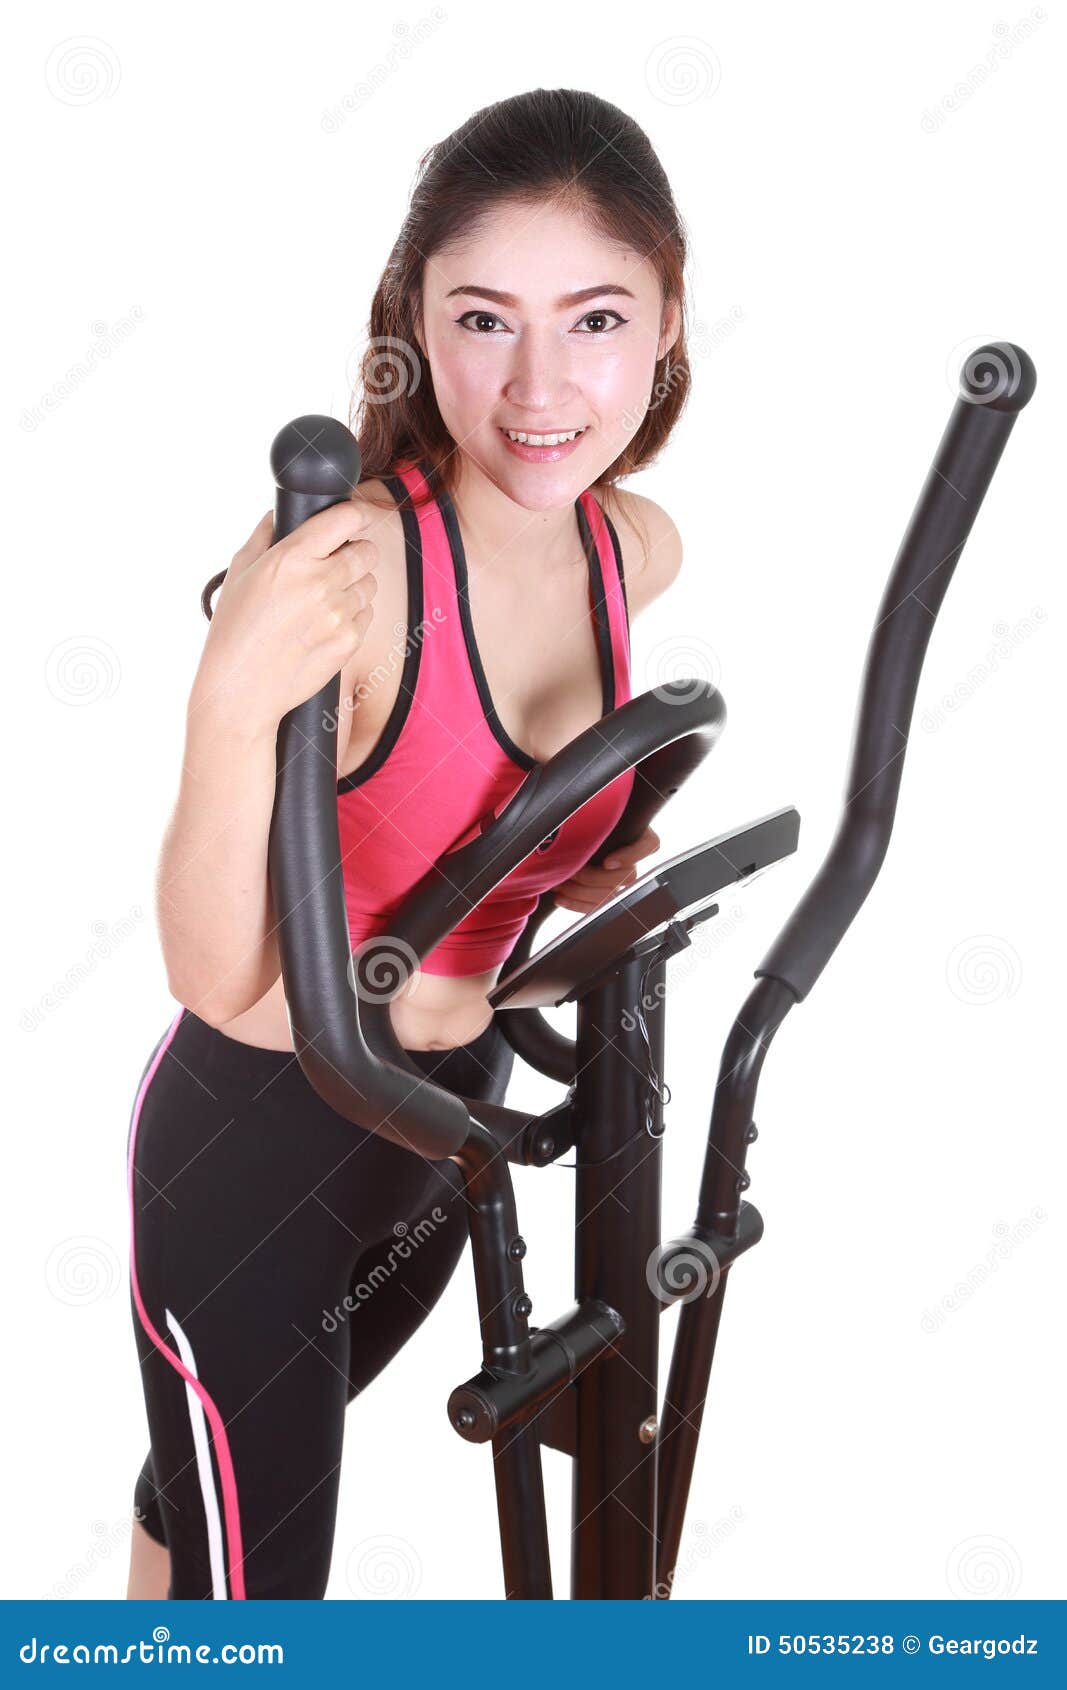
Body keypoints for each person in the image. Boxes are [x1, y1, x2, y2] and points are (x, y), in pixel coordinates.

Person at [127, 85, 691, 1600]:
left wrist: (572, 857)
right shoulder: (351, 566)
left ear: (668, 322)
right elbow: (208, 960)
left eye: (594, 318)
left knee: (199, 1516)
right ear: (416, 324)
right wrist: (229, 700)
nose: (539, 386)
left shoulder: (633, 549)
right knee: (266, 1595)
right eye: (484, 320)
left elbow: (461, 814)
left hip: (443, 1141)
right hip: (262, 1143)